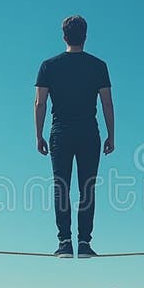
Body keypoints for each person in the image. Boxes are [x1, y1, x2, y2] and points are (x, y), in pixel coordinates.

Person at [34, 15, 115, 259]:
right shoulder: (98, 66)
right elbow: (107, 104)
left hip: (61, 132)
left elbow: (40, 103)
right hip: (89, 132)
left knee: (62, 186)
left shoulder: (49, 65)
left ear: (64, 36)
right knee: (87, 187)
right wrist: (112, 135)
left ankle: (64, 242)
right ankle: (84, 243)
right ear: (86, 36)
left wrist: (38, 135)